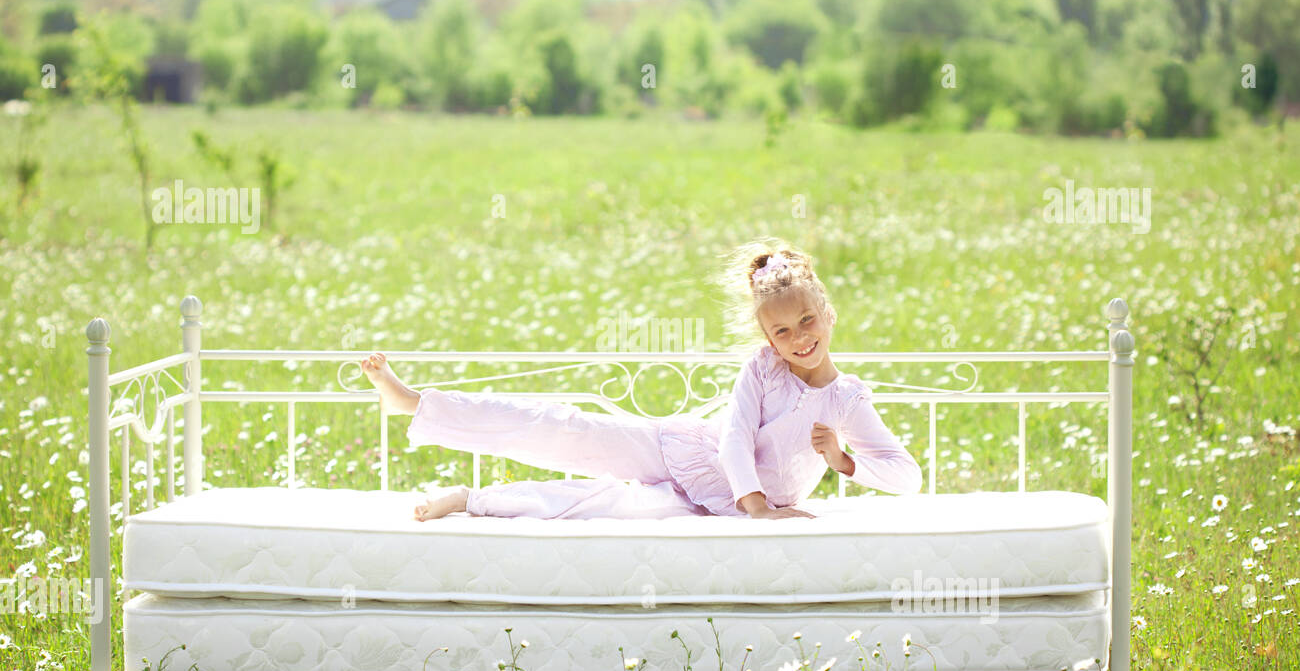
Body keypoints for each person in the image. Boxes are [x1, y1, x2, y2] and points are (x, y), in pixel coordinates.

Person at [360, 240, 923, 520]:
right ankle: (414, 405)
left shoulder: (847, 399)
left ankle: (469, 500)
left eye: (806, 322)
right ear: (767, 337)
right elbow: (732, 437)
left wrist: (845, 462)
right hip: (687, 453)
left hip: (714, 505)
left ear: (828, 316)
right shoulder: (762, 366)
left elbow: (907, 478)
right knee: (564, 428)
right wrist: (755, 505)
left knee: (595, 505)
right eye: (781, 331)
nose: (798, 339)